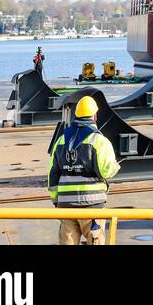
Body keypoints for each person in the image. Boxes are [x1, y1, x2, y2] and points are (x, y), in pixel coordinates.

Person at [48, 95, 120, 246]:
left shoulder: (61, 141)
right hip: (92, 205)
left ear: (76, 115)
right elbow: (106, 171)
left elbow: (53, 174)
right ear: (94, 116)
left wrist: (56, 200)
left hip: (66, 205)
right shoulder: (98, 141)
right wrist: (115, 165)